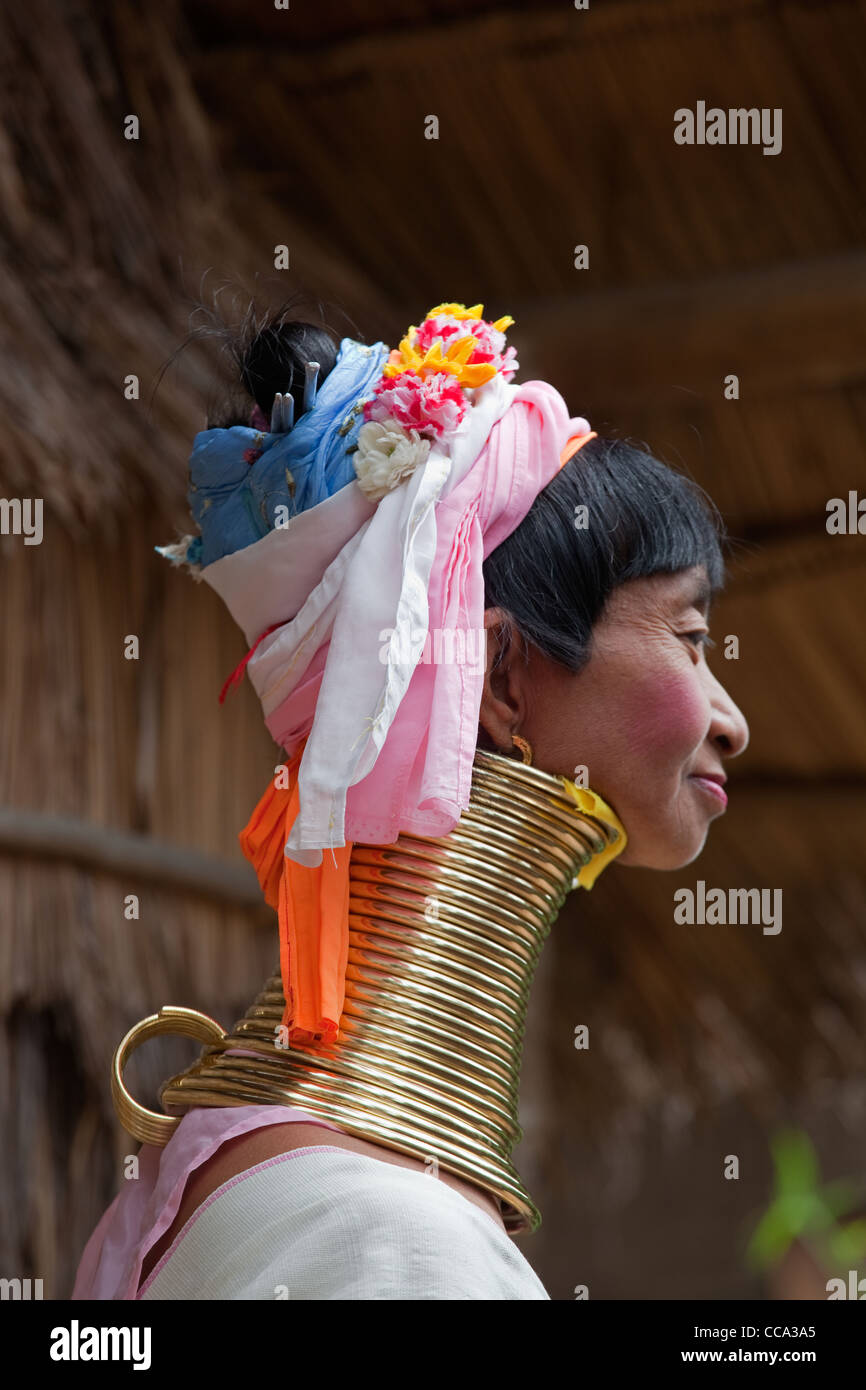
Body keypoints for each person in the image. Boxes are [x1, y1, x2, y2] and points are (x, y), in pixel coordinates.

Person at [73, 298, 748, 1301]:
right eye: (690, 639)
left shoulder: (239, 1180)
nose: (731, 721)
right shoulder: (390, 1241)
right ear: (501, 676)